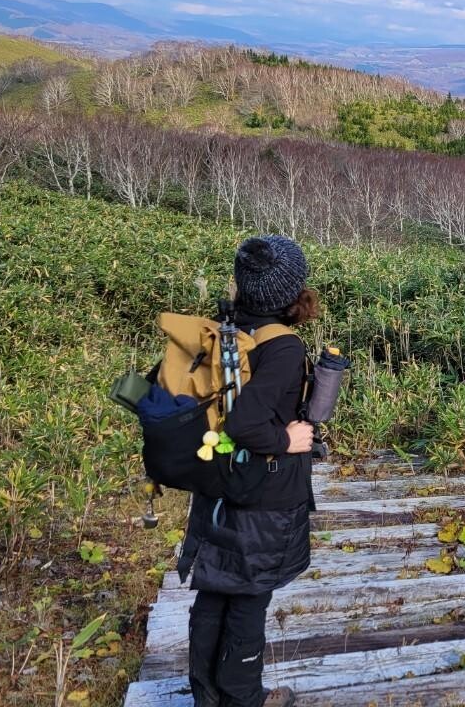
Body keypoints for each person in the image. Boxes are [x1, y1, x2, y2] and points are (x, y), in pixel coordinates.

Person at [178, 235, 318, 707]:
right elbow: (246, 423)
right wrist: (287, 440)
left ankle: (207, 696)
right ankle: (243, 698)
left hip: (217, 479)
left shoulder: (228, 330)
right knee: (250, 596)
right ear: (292, 290)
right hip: (264, 492)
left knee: (216, 588)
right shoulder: (283, 348)